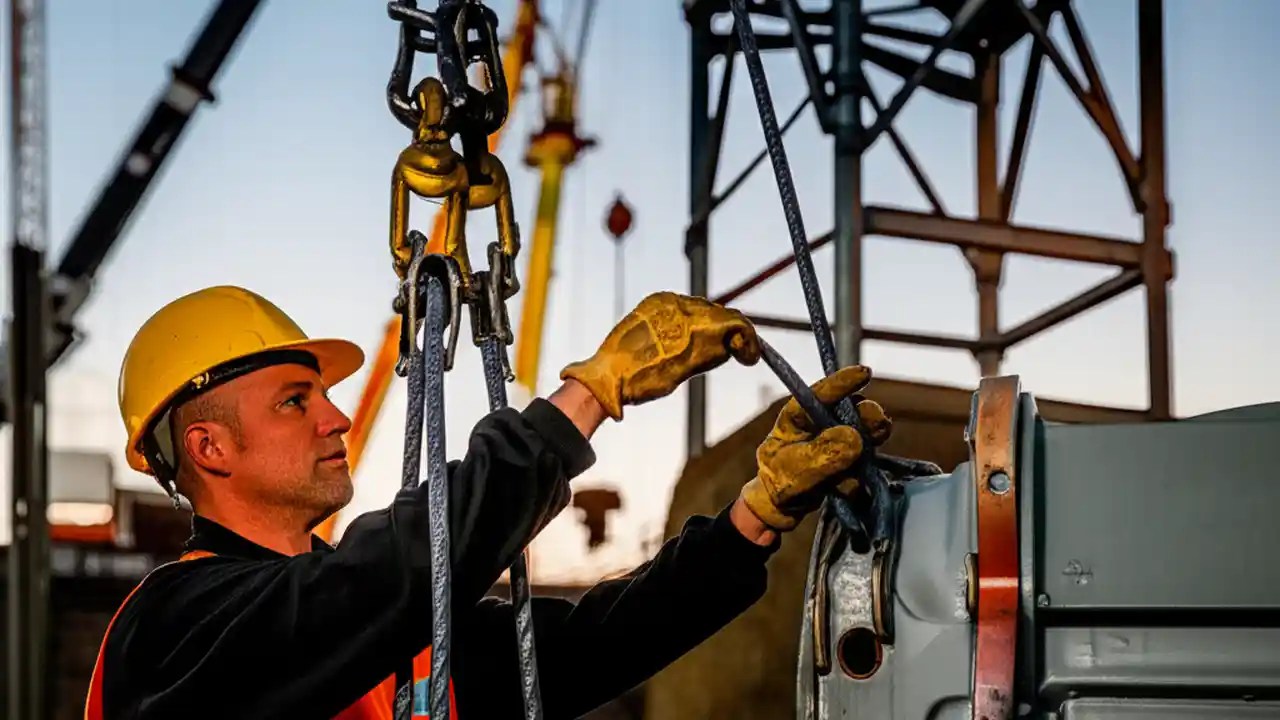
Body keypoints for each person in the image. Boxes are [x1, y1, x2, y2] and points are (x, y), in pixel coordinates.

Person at [85, 285, 891, 719]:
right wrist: (591, 393)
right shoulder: (171, 631)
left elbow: (587, 649)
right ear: (210, 450)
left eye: (324, 395)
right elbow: (379, 580)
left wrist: (757, 514)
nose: (335, 417)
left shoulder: (392, 638)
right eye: (295, 402)